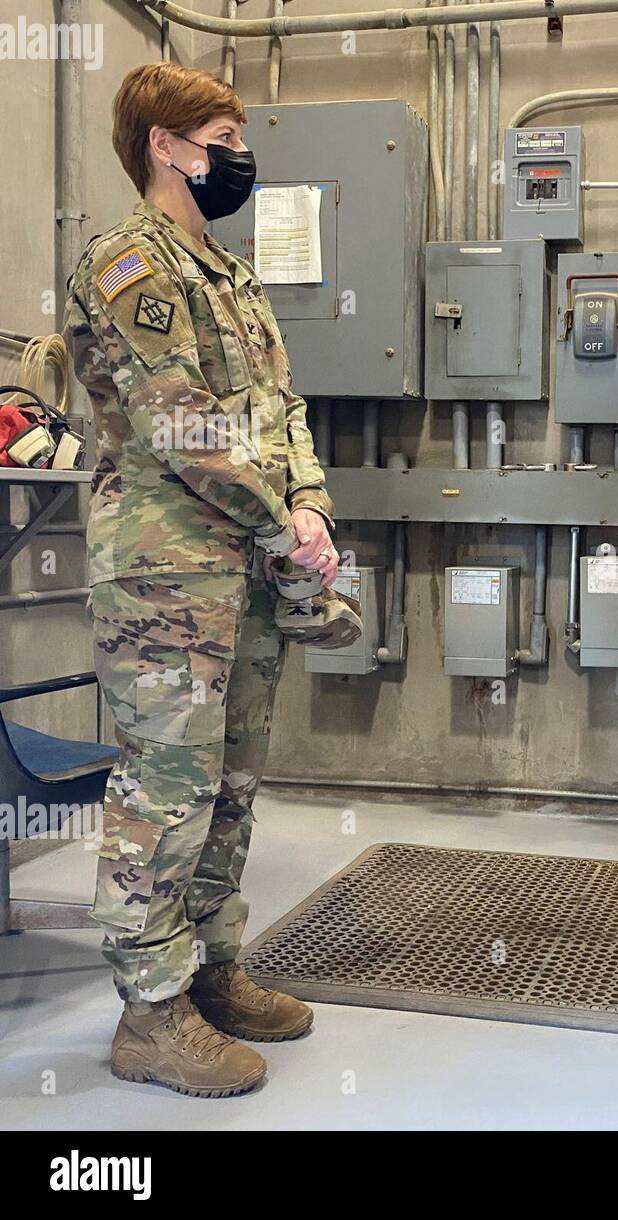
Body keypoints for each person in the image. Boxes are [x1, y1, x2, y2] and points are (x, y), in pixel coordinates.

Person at [63, 61, 341, 1097]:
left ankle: (211, 971)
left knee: (230, 781)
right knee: (165, 787)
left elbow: (282, 405)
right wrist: (289, 528)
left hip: (248, 565)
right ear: (166, 145)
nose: (238, 152)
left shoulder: (225, 271)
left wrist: (306, 503)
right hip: (165, 571)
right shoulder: (128, 262)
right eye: (222, 134)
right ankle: (149, 1011)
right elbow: (186, 429)